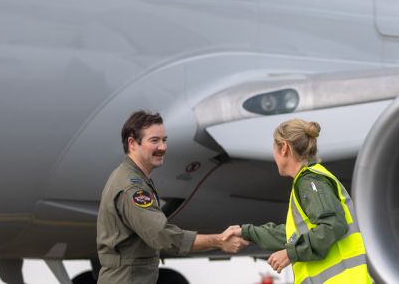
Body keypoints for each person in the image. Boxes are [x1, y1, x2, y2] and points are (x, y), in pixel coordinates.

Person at [97, 110, 249, 284]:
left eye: (164, 140)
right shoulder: (132, 187)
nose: (162, 147)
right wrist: (219, 241)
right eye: (154, 140)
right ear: (132, 143)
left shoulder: (134, 178)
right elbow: (162, 236)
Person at [223, 118, 371, 283]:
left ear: (284, 148)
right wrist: (247, 232)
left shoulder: (310, 182)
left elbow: (332, 225)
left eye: (274, 148)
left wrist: (290, 254)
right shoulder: (306, 182)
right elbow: (292, 236)